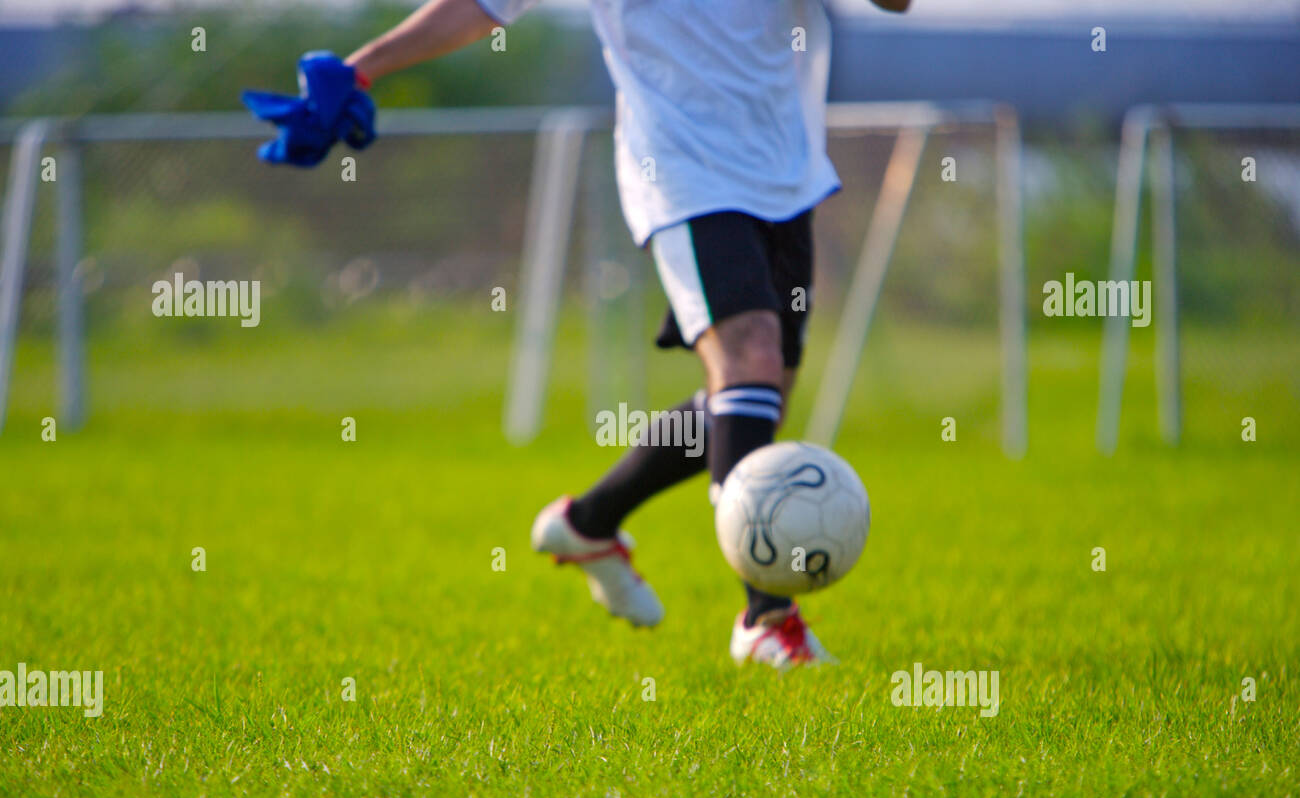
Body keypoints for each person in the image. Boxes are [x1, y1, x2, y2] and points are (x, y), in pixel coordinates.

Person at [245, 0, 910, 669]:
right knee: (751, 359)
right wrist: (361, 71)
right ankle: (766, 618)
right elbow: (481, 6)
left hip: (788, 173)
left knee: (752, 400)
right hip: (684, 172)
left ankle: (587, 522)